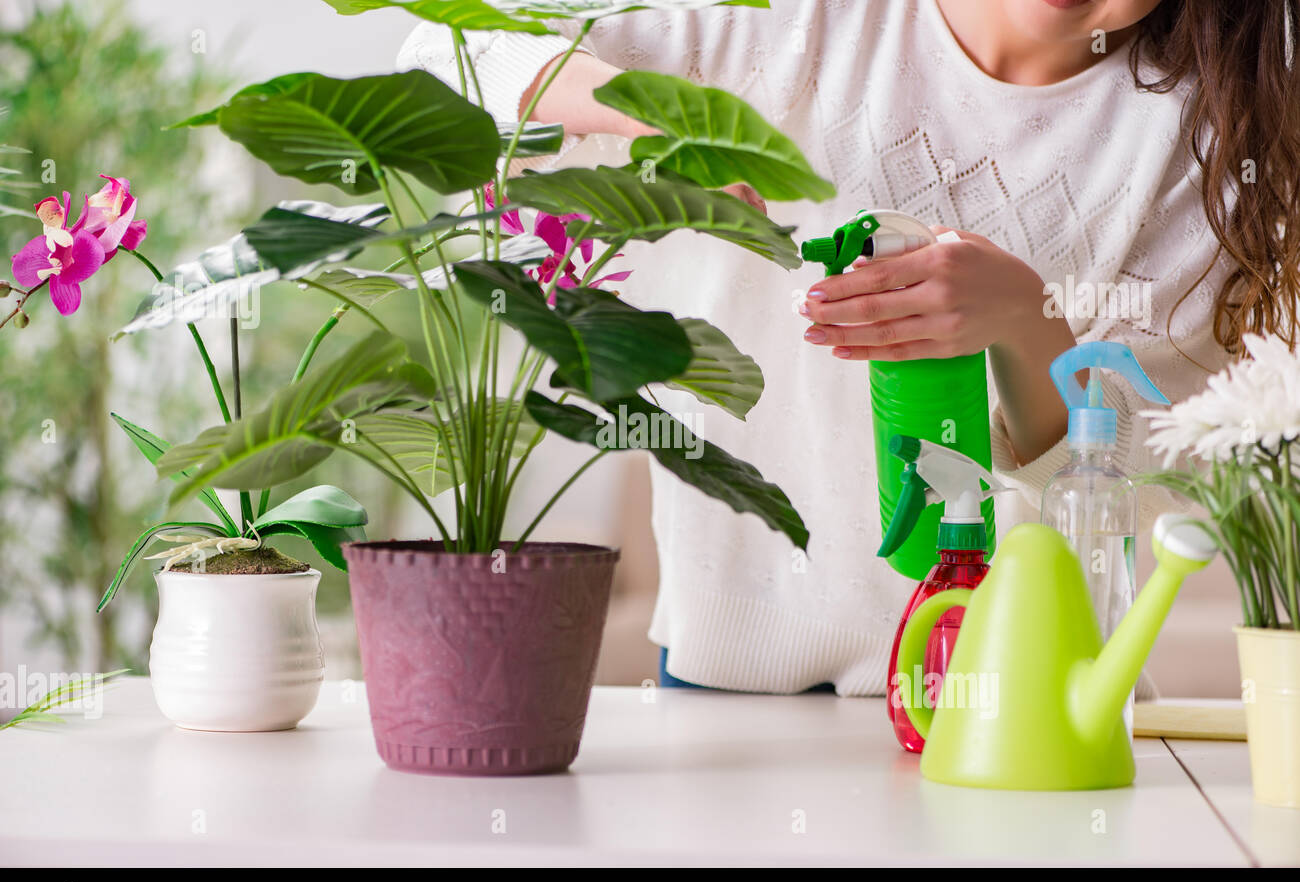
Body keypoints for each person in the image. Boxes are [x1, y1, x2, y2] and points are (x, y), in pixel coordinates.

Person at [397, 0, 1299, 694]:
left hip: (1029, 711)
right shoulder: (791, 25)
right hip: (726, 687)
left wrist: (1028, 322)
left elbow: (1125, 483)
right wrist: (647, 119)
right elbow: (441, 58)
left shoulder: (1213, 148)